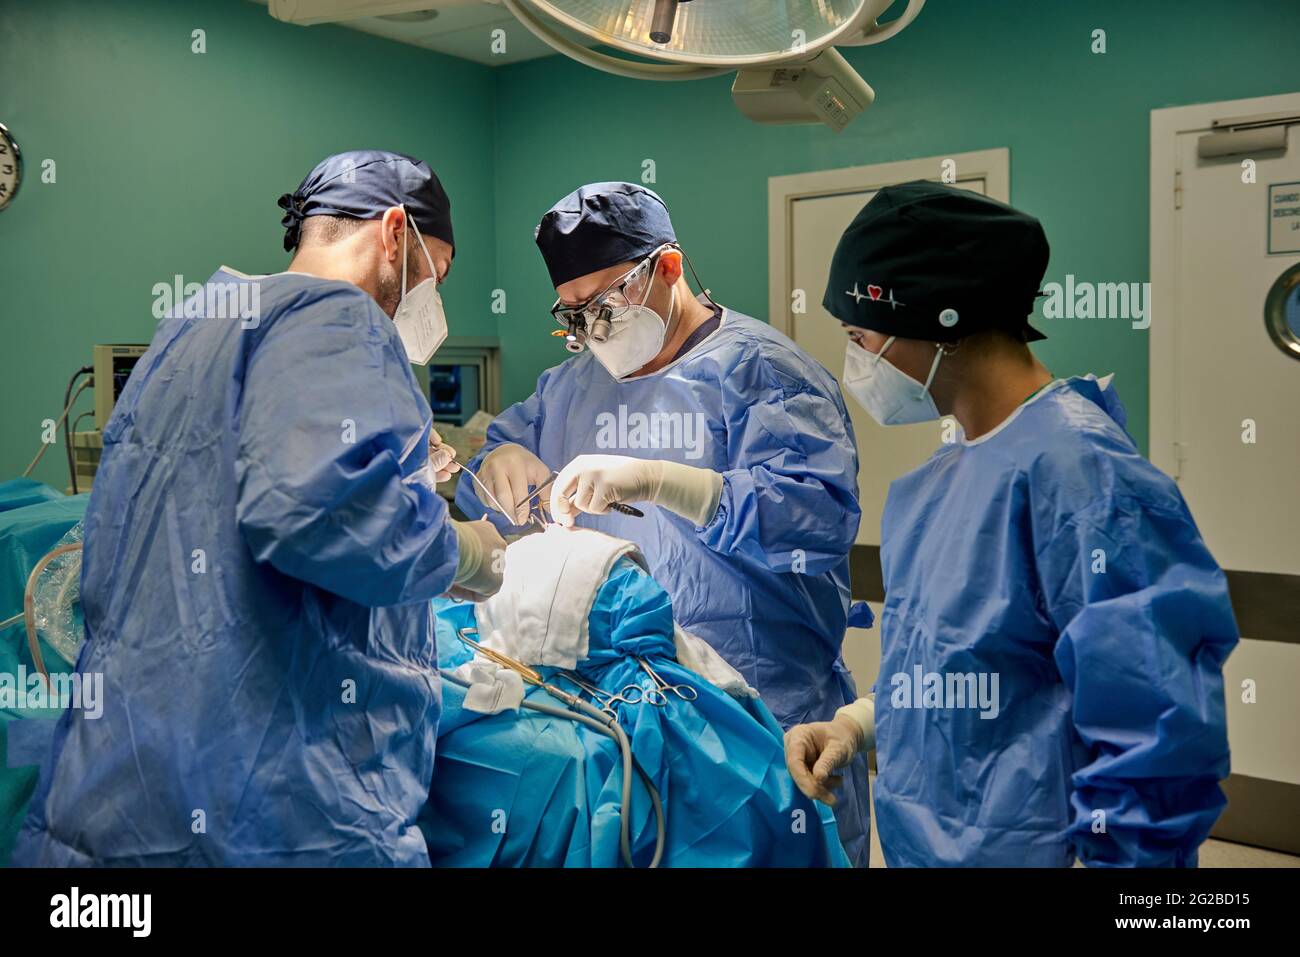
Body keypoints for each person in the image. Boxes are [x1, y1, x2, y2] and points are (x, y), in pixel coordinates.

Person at [16, 150, 506, 867]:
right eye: (440, 272)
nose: (434, 300)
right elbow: (313, 512)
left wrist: (387, 474)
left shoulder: (197, 322)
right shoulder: (342, 316)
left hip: (118, 787)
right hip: (274, 805)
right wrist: (466, 547)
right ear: (395, 233)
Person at [784, 181, 1239, 867]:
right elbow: (960, 666)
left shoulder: (1085, 477)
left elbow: (1154, 728)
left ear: (940, 319)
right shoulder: (930, 487)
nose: (856, 358)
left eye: (860, 334)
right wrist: (857, 722)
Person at [455, 182, 872, 866]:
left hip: (762, 712)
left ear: (669, 269)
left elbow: (816, 518)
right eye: (574, 314)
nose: (592, 330)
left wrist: (666, 481)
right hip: (625, 721)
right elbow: (488, 486)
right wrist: (495, 457)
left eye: (607, 304)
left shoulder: (764, 374)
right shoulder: (571, 387)